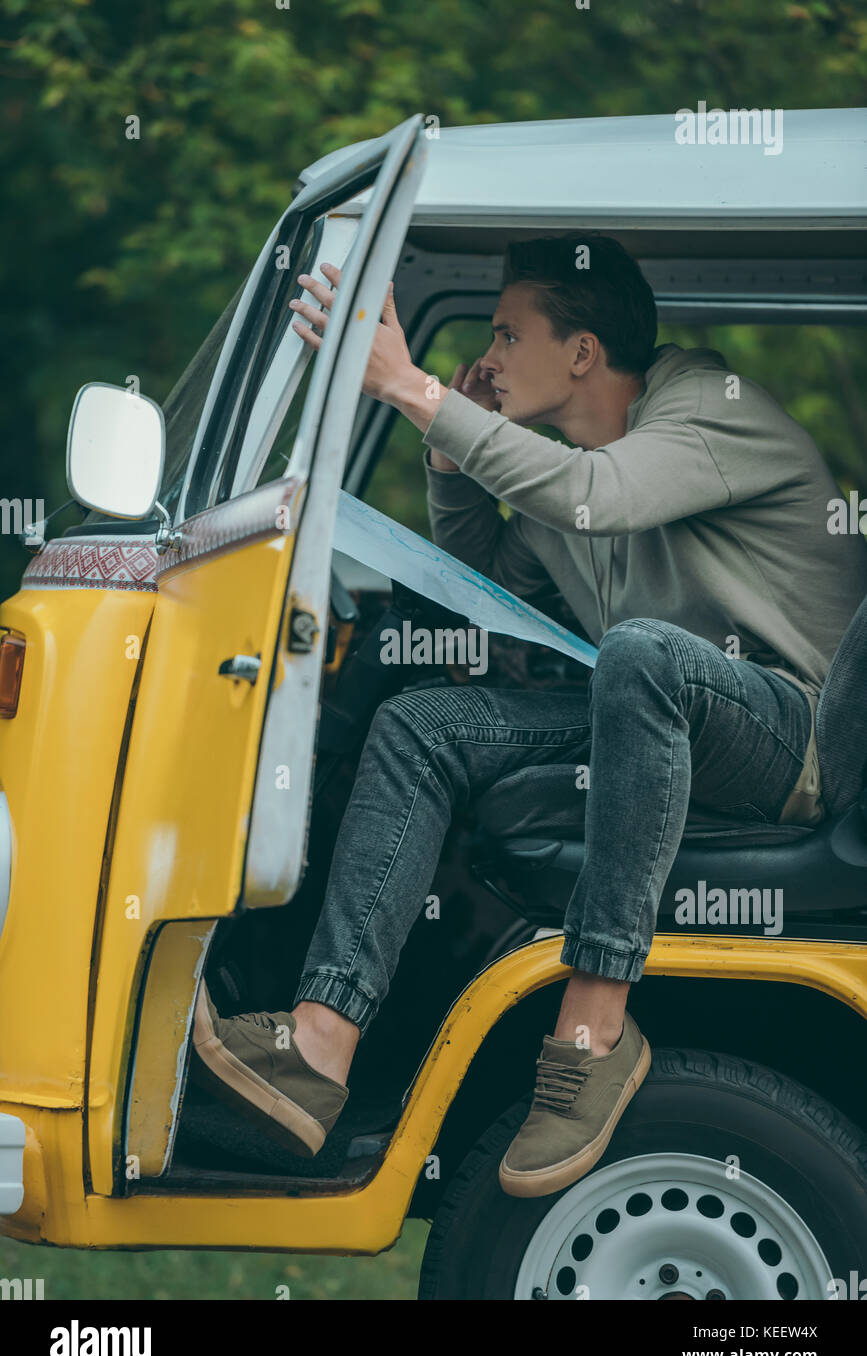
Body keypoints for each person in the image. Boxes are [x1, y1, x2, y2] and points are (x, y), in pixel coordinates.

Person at [192, 233, 867, 1199]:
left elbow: (599, 500)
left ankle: (593, 1032)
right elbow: (480, 585)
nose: (489, 358)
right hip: (651, 716)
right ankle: (318, 1046)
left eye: (508, 335)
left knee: (638, 652)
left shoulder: (708, 412)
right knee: (424, 724)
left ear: (582, 352)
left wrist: (412, 387)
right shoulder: (570, 472)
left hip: (789, 737)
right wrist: (448, 457)